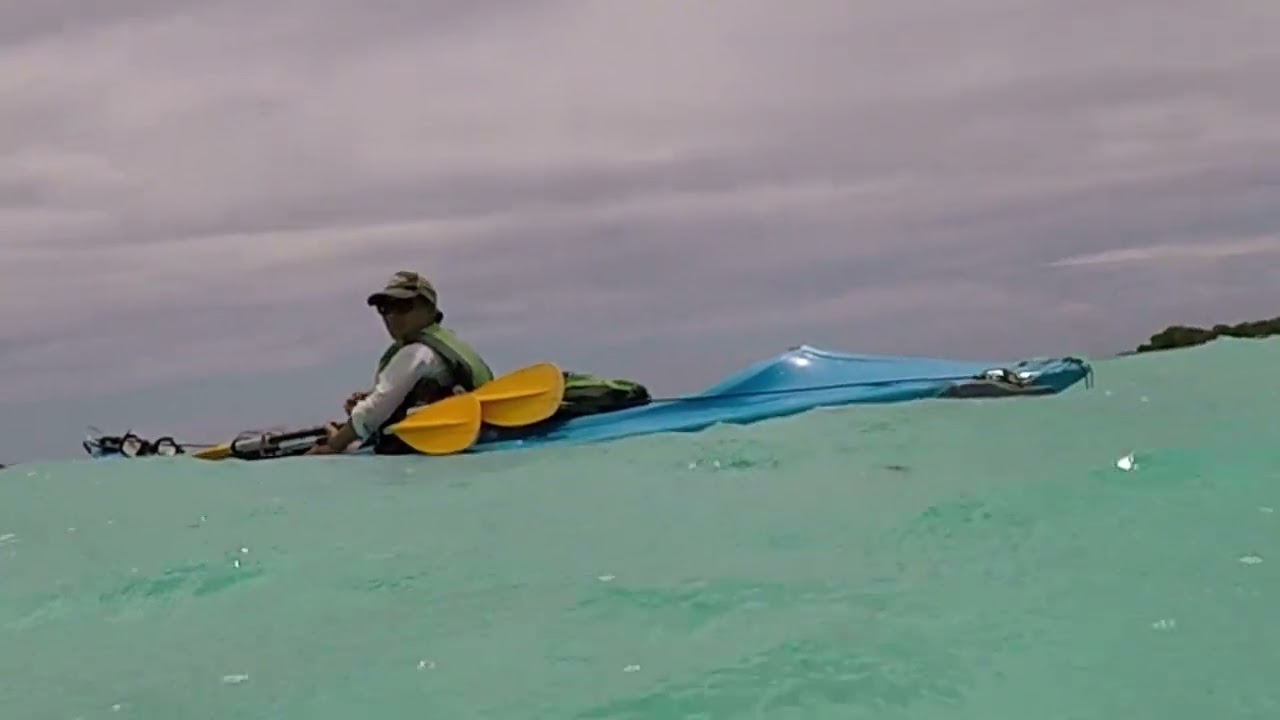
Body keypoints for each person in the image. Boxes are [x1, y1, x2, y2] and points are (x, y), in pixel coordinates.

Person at [307, 271, 495, 456]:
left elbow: (375, 409)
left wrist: (335, 444)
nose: (392, 316)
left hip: (436, 447)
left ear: (430, 309)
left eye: (403, 306)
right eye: (385, 308)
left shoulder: (417, 353)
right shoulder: (443, 344)